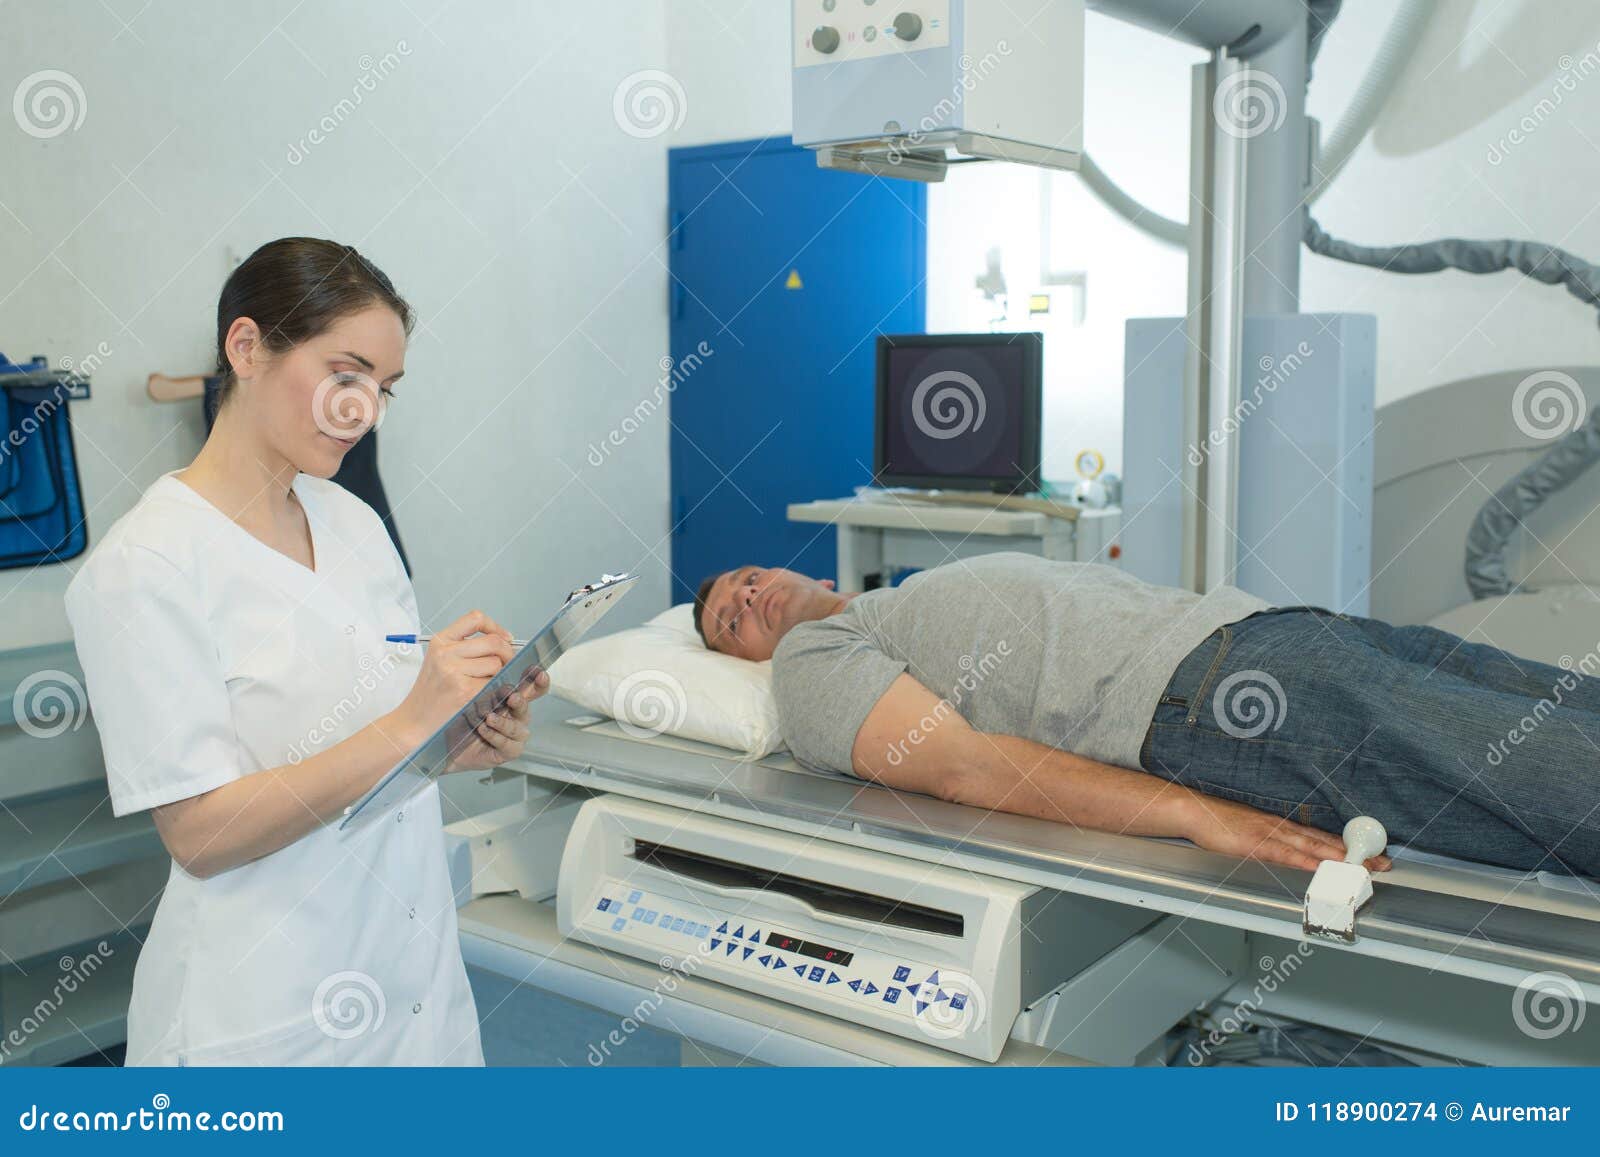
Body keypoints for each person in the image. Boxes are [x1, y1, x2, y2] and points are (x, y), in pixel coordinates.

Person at [65, 238, 545, 1066]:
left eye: (384, 389)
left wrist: (451, 740)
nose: (365, 410)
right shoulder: (145, 566)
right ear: (246, 347)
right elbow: (202, 833)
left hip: (411, 983)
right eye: (344, 373)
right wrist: (409, 725)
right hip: (267, 1009)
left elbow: (376, 737)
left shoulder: (352, 525)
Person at [693, 553, 1600, 879]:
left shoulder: (886, 604)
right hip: (1214, 701)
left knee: (1559, 707)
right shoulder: (809, 667)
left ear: (788, 568)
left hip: (1264, 634)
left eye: (744, 580)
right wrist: (1190, 813)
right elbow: (962, 766)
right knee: (1558, 777)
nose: (743, 602)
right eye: (724, 624)